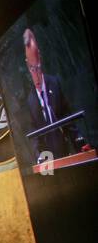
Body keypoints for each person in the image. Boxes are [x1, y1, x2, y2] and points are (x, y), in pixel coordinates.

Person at [22, 28, 89, 161]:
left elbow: (68, 119)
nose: (36, 75)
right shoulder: (30, 101)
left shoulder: (55, 84)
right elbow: (35, 137)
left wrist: (80, 143)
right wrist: (39, 157)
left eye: (38, 67)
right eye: (32, 68)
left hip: (66, 152)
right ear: (27, 65)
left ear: (40, 57)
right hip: (49, 161)